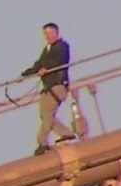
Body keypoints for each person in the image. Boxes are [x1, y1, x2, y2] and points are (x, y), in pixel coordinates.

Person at [17, 23, 77, 156]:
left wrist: (46, 69)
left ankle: (42, 142)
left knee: (47, 114)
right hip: (48, 87)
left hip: (58, 86)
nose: (46, 37)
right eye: (45, 34)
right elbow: (39, 64)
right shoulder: (47, 50)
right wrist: (24, 75)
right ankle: (66, 133)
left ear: (56, 33)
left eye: (49, 34)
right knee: (44, 115)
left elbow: (60, 60)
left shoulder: (62, 47)